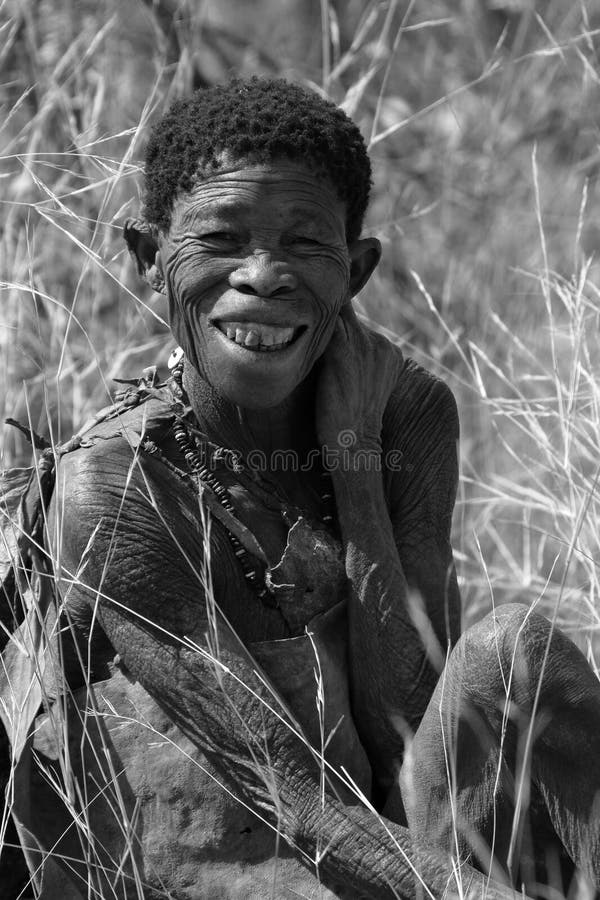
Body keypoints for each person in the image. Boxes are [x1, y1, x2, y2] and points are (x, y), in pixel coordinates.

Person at [0, 76, 598, 900]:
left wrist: (353, 460)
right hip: (246, 868)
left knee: (518, 648)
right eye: (220, 238)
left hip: (404, 843)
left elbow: (405, 738)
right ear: (147, 257)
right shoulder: (113, 487)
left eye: (305, 246)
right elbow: (294, 799)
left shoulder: (407, 412)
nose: (264, 275)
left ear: (355, 271)